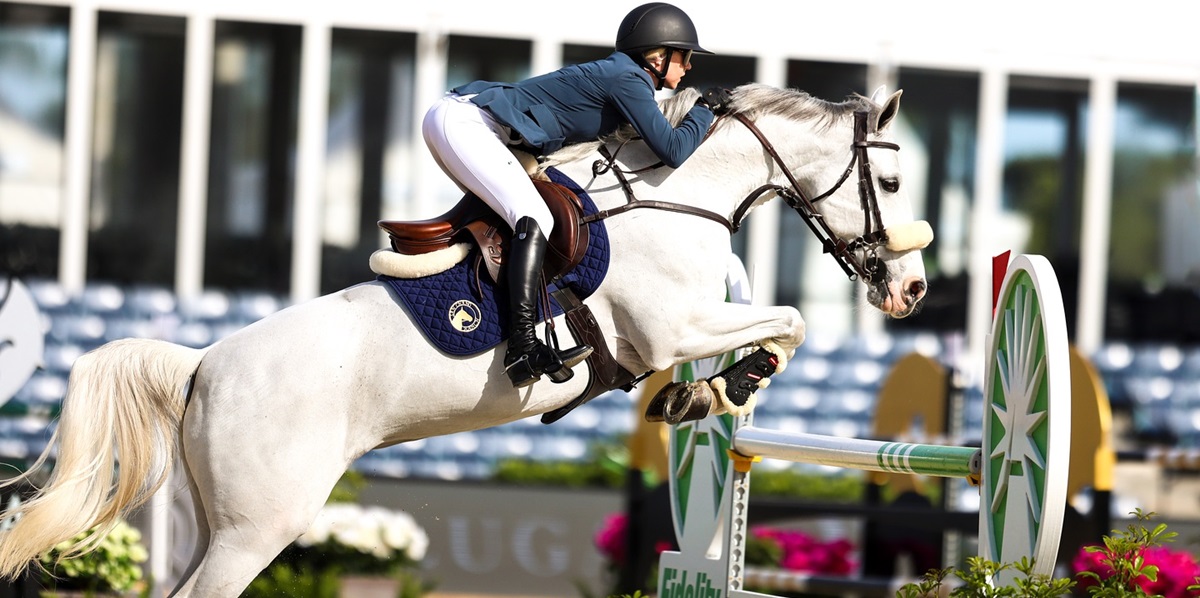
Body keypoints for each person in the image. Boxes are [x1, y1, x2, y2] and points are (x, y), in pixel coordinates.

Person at [422, 2, 733, 389]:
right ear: (657, 56)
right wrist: (704, 109)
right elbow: (672, 150)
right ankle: (522, 346)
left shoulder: (626, 79)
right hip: (468, 123)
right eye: (684, 57)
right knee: (535, 216)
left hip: (466, 122)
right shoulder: (628, 79)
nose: (688, 67)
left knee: (520, 217)